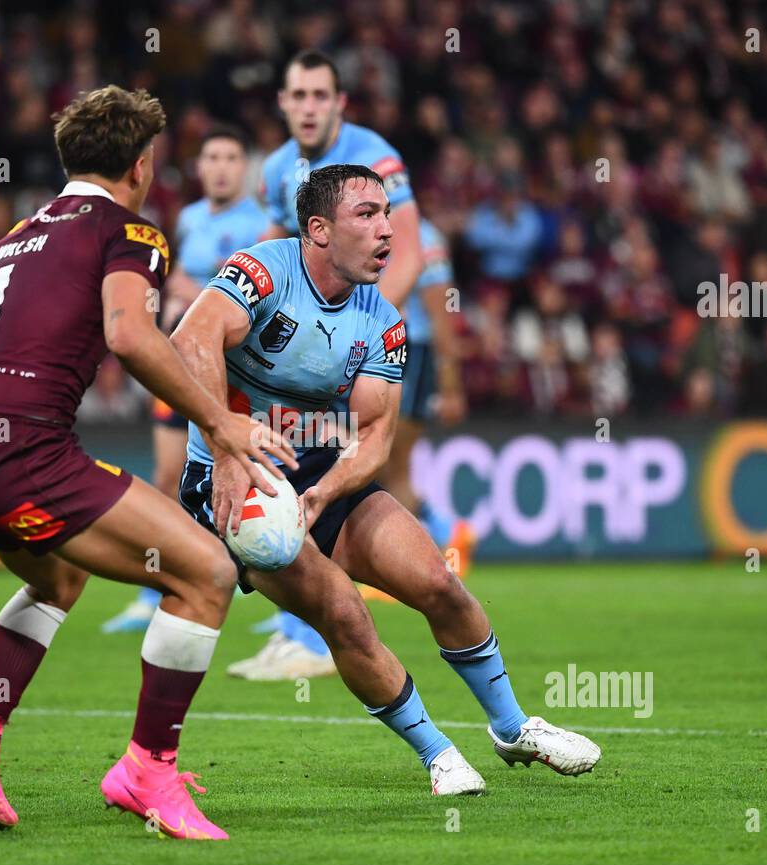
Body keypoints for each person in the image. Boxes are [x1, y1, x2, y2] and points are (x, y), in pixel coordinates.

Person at [0, 86, 296, 841]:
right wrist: (221, 423)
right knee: (206, 573)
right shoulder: (130, 232)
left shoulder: (10, 242)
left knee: (58, 576)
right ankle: (147, 771)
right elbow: (130, 336)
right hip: (22, 454)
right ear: (139, 165)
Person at [170, 164, 602, 794]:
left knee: (439, 582)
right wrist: (229, 449)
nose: (387, 229)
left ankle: (511, 728)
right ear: (318, 230)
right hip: (231, 479)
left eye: (387, 213)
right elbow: (192, 338)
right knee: (343, 614)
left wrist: (328, 489)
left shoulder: (382, 319)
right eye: (367, 214)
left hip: (314, 469)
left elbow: (375, 437)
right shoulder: (261, 272)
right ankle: (437, 753)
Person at [232, 48, 466, 680]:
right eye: (297, 95)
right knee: (287, 463)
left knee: (356, 467)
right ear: (282, 103)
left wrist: (347, 334)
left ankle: (333, 618)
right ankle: (302, 626)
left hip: (380, 342)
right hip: (310, 347)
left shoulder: (377, 157)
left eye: (319, 95)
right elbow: (283, 254)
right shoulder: (278, 168)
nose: (308, 106)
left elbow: (411, 254)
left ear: (340, 104)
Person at [103, 124, 269, 634]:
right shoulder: (191, 219)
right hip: (179, 370)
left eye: (230, 157)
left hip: (234, 377)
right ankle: (150, 590)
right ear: (201, 168)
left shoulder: (264, 225)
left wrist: (193, 291)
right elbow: (169, 276)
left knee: (263, 485)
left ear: (245, 169)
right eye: (212, 157)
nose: (220, 166)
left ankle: (292, 613)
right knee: (166, 481)